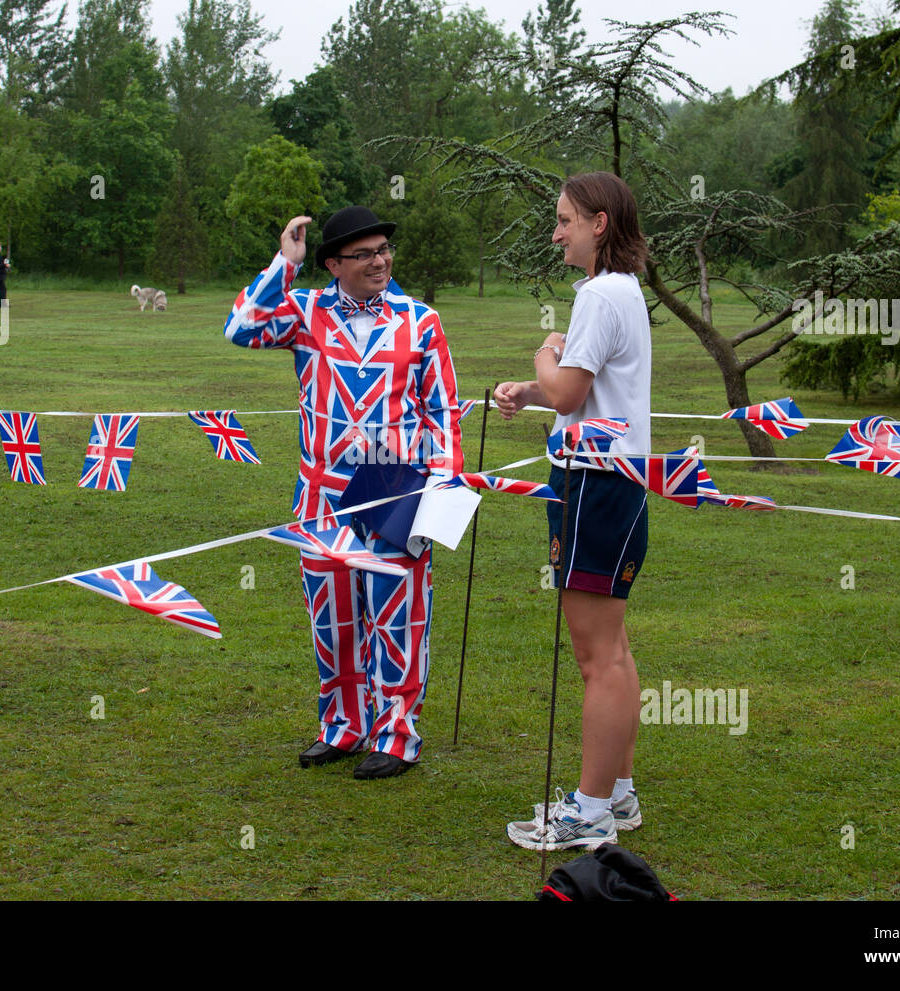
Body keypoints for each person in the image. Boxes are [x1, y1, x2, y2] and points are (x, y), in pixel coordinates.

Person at [224, 205, 463, 779]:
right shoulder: (305, 313)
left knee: (398, 620)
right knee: (334, 625)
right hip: (320, 505)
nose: (380, 261)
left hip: (396, 499)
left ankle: (397, 735)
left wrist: (442, 493)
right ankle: (344, 727)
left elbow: (443, 410)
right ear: (333, 264)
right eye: (365, 254)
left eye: (385, 250)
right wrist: (286, 262)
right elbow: (241, 327)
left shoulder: (420, 320)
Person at [493, 172, 651, 849]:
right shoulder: (617, 292)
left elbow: (568, 390)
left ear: (599, 224)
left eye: (564, 219)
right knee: (611, 648)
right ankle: (615, 793)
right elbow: (577, 391)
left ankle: (588, 811)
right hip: (604, 480)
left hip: (595, 483)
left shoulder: (600, 295)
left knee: (597, 657)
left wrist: (544, 353)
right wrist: (531, 388)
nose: (554, 232)